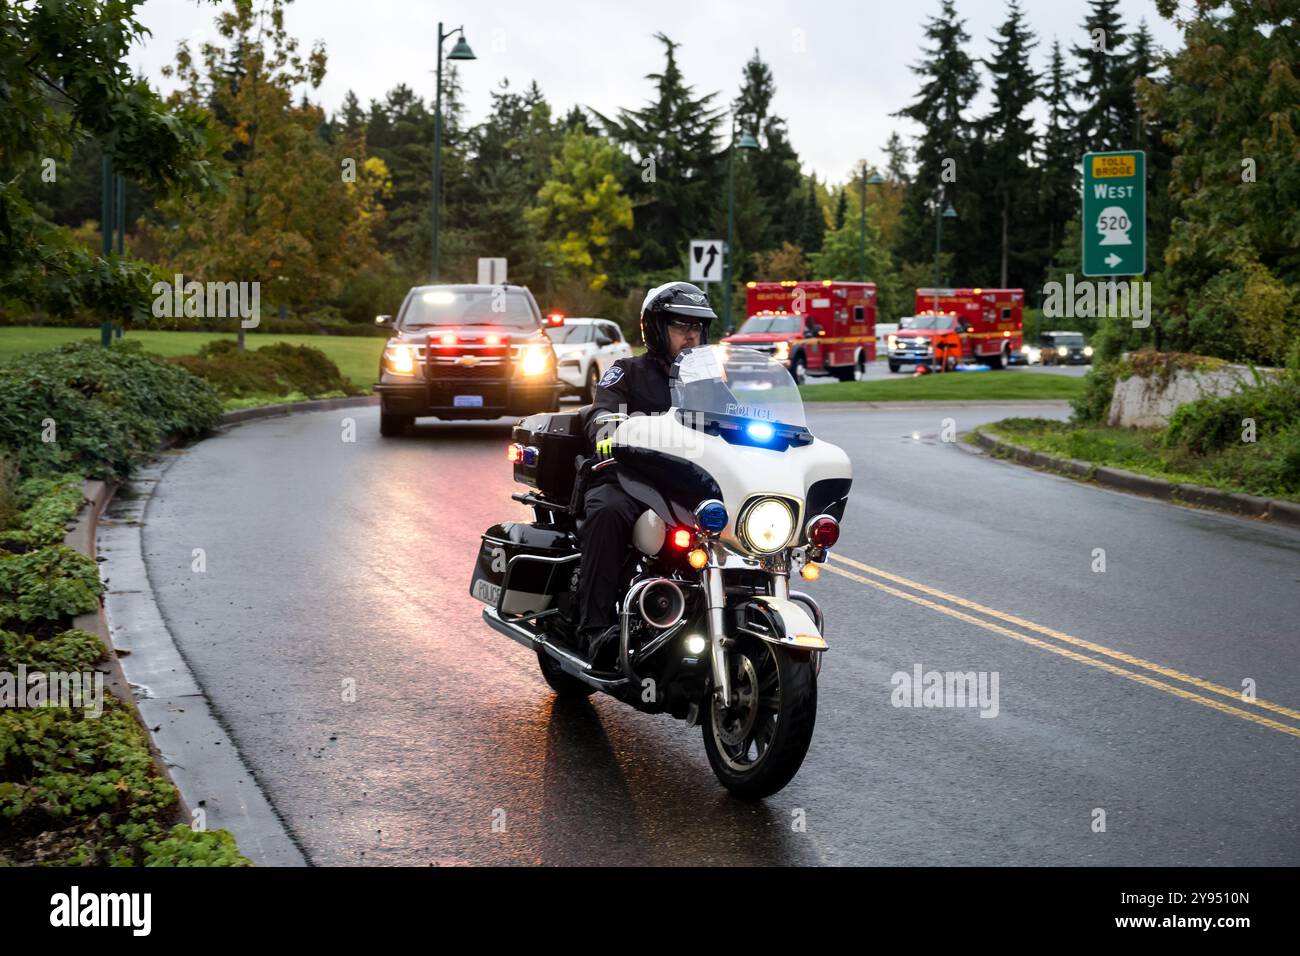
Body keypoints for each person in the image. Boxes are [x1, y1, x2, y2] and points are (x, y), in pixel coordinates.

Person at [575, 281, 714, 667]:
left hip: (685, 485)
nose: (691, 336)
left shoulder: (709, 384)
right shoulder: (627, 371)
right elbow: (602, 413)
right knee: (606, 513)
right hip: (627, 478)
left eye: (697, 328)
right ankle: (595, 629)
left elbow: (736, 421)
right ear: (655, 329)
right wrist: (609, 428)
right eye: (680, 327)